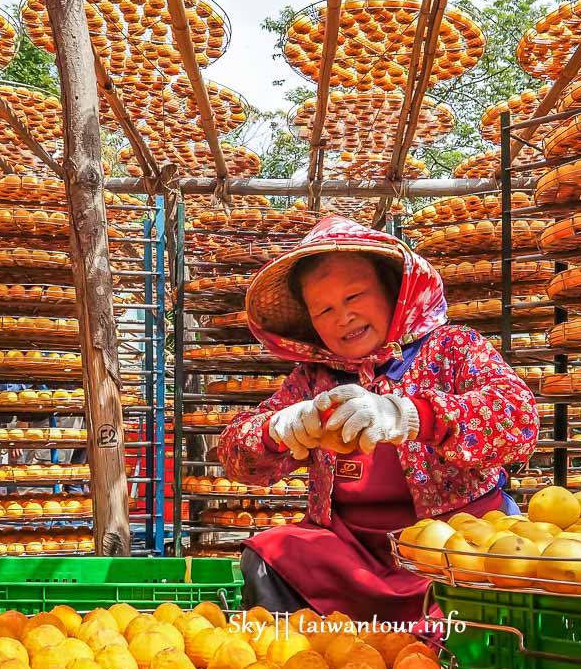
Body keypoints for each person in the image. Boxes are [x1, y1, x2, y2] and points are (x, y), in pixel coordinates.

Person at [219, 215, 538, 622]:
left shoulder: (452, 348)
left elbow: (520, 419)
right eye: (324, 310)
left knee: (495, 574)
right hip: (350, 556)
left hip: (455, 546)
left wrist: (409, 415)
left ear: (394, 293)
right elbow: (234, 456)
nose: (342, 318)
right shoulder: (312, 381)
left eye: (354, 297)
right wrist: (278, 429)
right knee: (271, 554)